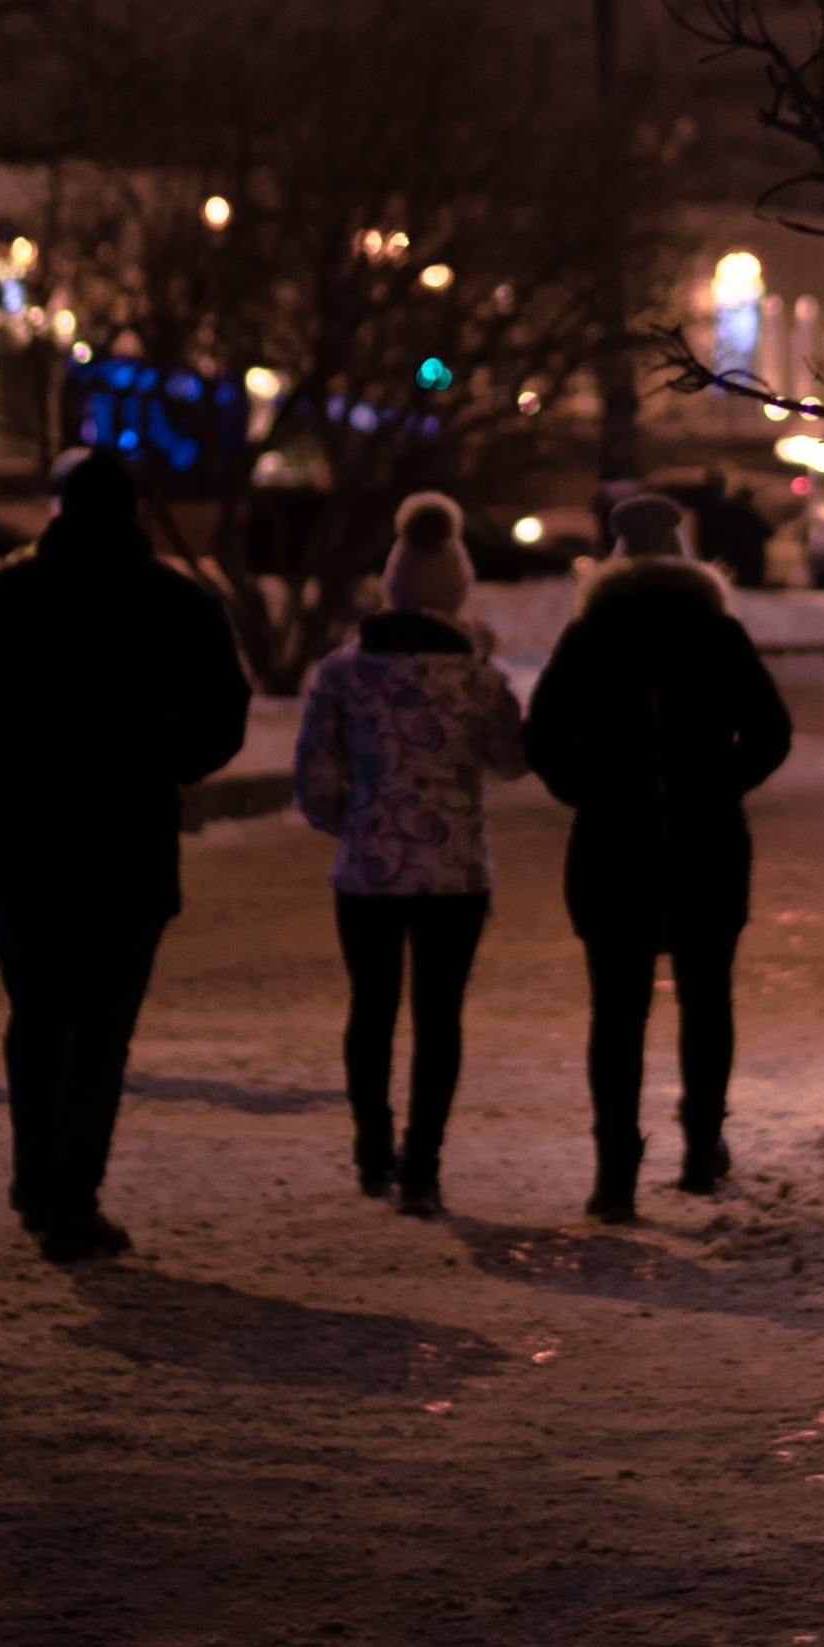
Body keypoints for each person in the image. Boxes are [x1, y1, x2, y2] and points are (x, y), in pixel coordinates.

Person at [0, 446, 255, 1262]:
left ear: (58, 508)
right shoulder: (180, 603)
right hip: (129, 848)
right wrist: (160, 762)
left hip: (28, 841)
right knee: (102, 1030)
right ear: (137, 510)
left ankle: (34, 1176)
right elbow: (223, 716)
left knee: (35, 1018)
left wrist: (11, 752)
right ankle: (73, 1192)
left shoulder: (4, 596)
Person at [524, 489, 798, 1217]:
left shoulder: (590, 635)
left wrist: (594, 790)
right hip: (708, 845)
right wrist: (716, 786)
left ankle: (615, 1170)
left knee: (616, 1012)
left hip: (612, 847)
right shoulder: (717, 631)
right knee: (708, 1000)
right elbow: (771, 733)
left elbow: (543, 737)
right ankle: (702, 1150)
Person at [291, 490, 522, 1219]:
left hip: (367, 871)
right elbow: (513, 761)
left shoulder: (342, 674)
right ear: (458, 589)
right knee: (439, 1015)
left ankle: (371, 1150)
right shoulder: (477, 679)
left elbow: (315, 778)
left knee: (372, 1008)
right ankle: (423, 1165)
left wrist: (358, 822)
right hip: (455, 871)